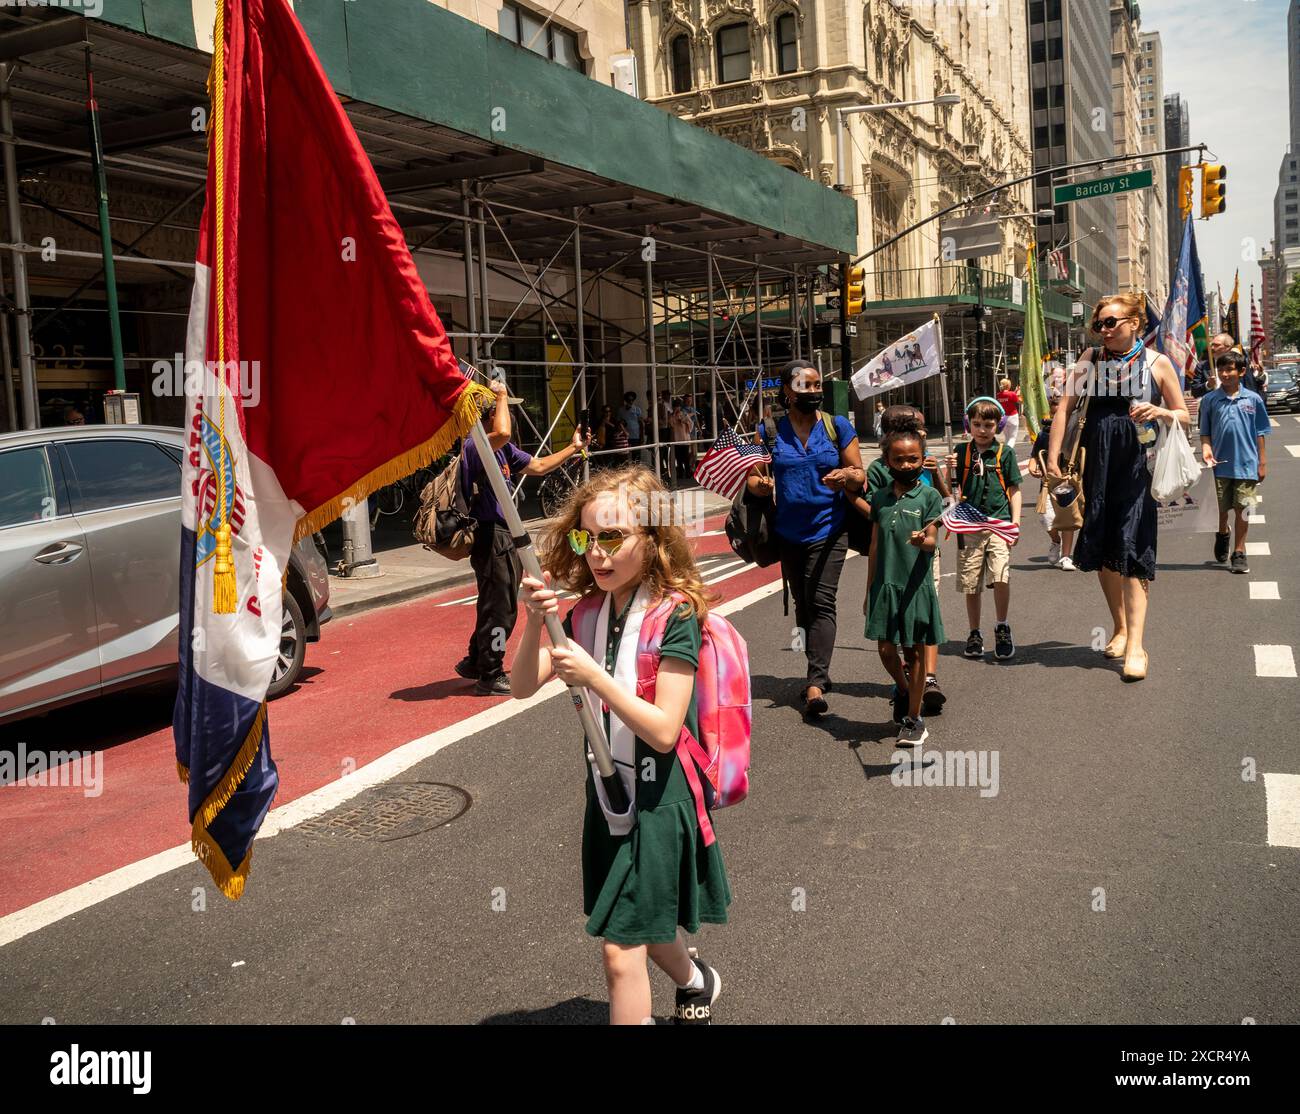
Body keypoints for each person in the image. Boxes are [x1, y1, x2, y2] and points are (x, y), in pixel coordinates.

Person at [511, 465, 731, 1026]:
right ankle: (696, 978)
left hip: (661, 800)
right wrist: (536, 622)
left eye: (613, 538)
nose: (596, 555)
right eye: (587, 539)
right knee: (638, 922)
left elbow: (663, 728)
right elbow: (519, 687)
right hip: (608, 792)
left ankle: (686, 981)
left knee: (620, 946)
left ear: (653, 539)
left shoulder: (676, 613)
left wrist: (594, 677)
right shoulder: (585, 612)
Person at [1046, 292, 1189, 683]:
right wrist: (1054, 457)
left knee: (1132, 545)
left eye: (1111, 323)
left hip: (1139, 465)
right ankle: (1120, 627)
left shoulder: (1158, 364)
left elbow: (1183, 415)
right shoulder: (1090, 361)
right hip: (1098, 463)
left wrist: (1159, 410)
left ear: (1134, 324)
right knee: (1105, 545)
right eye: (1099, 324)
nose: (1103, 330)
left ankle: (1138, 645)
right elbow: (1064, 409)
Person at [454, 380, 590, 695]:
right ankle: (489, 672)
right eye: (504, 410)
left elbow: (539, 465)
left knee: (494, 603)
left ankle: (476, 659)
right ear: (489, 415)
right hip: (490, 535)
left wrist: (575, 447)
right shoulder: (477, 445)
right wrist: (500, 393)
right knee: (501, 608)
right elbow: (502, 432)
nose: (510, 417)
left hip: (504, 534)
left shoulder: (503, 451)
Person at [746, 360, 864, 718]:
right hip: (788, 532)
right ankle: (814, 663)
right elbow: (752, 477)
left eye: (817, 385)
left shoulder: (836, 426)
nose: (813, 391)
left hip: (831, 528)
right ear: (787, 390)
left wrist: (846, 474)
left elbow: (861, 475)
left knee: (822, 599)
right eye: (805, 386)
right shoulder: (768, 431)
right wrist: (762, 486)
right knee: (803, 601)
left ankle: (816, 681)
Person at [858, 404, 951, 714]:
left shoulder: (930, 497)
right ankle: (902, 687)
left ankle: (913, 717)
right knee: (886, 649)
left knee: (913, 652)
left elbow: (932, 542)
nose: (907, 465)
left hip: (915, 585)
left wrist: (922, 540)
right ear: (887, 462)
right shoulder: (881, 497)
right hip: (886, 584)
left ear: (922, 459)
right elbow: (874, 545)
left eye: (913, 459)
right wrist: (870, 588)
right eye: (899, 460)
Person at [944, 398, 1022, 661]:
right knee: (971, 583)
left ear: (997, 425)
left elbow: (1014, 489)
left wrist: (1016, 522)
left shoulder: (1005, 454)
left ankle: (1002, 626)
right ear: (969, 424)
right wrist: (949, 470)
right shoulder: (961, 452)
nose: (982, 430)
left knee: (1001, 575)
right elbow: (949, 491)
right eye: (976, 424)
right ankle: (974, 632)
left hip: (999, 524)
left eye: (988, 425)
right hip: (969, 525)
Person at [1200, 350, 1269, 573]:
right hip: (1219, 465)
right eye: (1221, 369)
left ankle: (1239, 551)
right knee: (1220, 509)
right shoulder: (1210, 400)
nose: (1224, 373)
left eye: (1229, 369)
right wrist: (1206, 447)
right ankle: (1222, 533)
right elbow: (1205, 431)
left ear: (1241, 371)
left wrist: (1262, 461)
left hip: (1247, 464)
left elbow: (1260, 431)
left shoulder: (1253, 399)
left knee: (1244, 509)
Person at [1026, 394, 1077, 570]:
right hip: (1048, 483)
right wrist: (1033, 467)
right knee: (1046, 518)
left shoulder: (1076, 432)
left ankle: (1066, 557)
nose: (1058, 421)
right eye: (1054, 416)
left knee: (1068, 518)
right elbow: (1034, 455)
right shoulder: (1044, 434)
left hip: (1070, 481)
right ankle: (1056, 541)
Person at [669, 400, 693, 486]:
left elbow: (691, 424)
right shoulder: (672, 416)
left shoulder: (684, 414)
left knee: (686, 457)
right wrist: (674, 415)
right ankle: (680, 472)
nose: (677, 408)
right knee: (678, 458)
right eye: (675, 406)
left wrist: (684, 420)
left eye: (678, 406)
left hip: (685, 439)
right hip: (676, 439)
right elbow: (671, 424)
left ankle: (688, 472)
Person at [996, 377, 1022, 447]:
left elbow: (1008, 396)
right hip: (1013, 416)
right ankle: (1009, 452)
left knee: (1007, 437)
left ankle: (1006, 452)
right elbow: (1019, 401)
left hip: (1004, 417)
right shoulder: (1011, 394)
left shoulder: (998, 395)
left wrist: (1015, 391)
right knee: (1012, 437)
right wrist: (1018, 393)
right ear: (1008, 385)